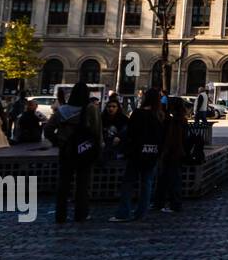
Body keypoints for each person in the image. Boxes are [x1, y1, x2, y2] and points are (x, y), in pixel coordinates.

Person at [46, 82, 102, 223]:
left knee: (63, 185)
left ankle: (60, 215)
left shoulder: (62, 110)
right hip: (84, 150)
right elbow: (97, 131)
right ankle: (81, 214)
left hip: (66, 151)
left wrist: (59, 141)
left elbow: (48, 129)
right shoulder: (91, 109)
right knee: (83, 185)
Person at [113, 89, 164, 221]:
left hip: (137, 153)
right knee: (147, 183)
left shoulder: (138, 113)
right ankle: (141, 213)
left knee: (128, 183)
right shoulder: (159, 115)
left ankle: (124, 213)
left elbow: (131, 133)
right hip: (153, 153)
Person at [153, 95, 188, 213]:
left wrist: (165, 152)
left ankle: (173, 204)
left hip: (172, 153)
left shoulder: (173, 121)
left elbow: (171, 139)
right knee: (167, 179)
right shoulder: (180, 119)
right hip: (175, 153)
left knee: (171, 179)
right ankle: (160, 203)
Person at [101, 96, 129, 164]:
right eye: (109, 106)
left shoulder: (124, 119)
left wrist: (120, 136)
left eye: (114, 106)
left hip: (119, 149)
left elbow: (128, 131)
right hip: (104, 148)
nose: (111, 108)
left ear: (118, 108)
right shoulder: (102, 118)